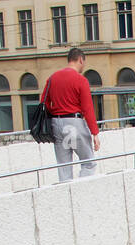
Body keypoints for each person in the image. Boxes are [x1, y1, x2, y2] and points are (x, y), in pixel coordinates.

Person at [40, 47, 101, 182]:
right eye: (83, 63)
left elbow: (44, 102)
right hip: (74, 122)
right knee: (88, 163)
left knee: (64, 167)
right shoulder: (80, 80)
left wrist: (54, 117)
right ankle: (83, 191)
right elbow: (88, 108)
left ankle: (66, 197)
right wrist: (95, 133)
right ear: (80, 59)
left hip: (56, 124)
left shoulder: (52, 78)